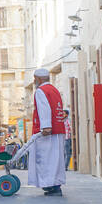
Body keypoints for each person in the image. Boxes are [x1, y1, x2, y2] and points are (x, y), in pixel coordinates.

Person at [28, 67, 67, 195]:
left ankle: (51, 185)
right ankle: (54, 185)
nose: (35, 81)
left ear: (38, 79)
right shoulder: (54, 90)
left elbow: (44, 109)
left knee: (46, 159)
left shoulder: (41, 91)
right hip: (58, 130)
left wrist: (46, 127)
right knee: (56, 159)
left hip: (48, 132)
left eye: (35, 79)